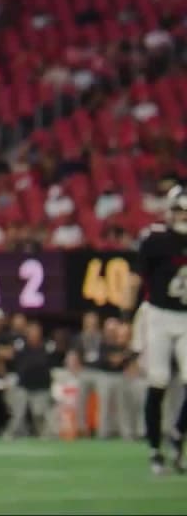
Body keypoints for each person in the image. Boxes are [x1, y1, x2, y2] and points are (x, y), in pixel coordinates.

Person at [133, 184, 187, 474]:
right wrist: (125, 314)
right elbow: (137, 278)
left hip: (186, 317)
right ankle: (155, 449)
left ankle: (178, 434)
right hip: (158, 315)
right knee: (159, 380)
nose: (183, 217)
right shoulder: (156, 241)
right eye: (180, 210)